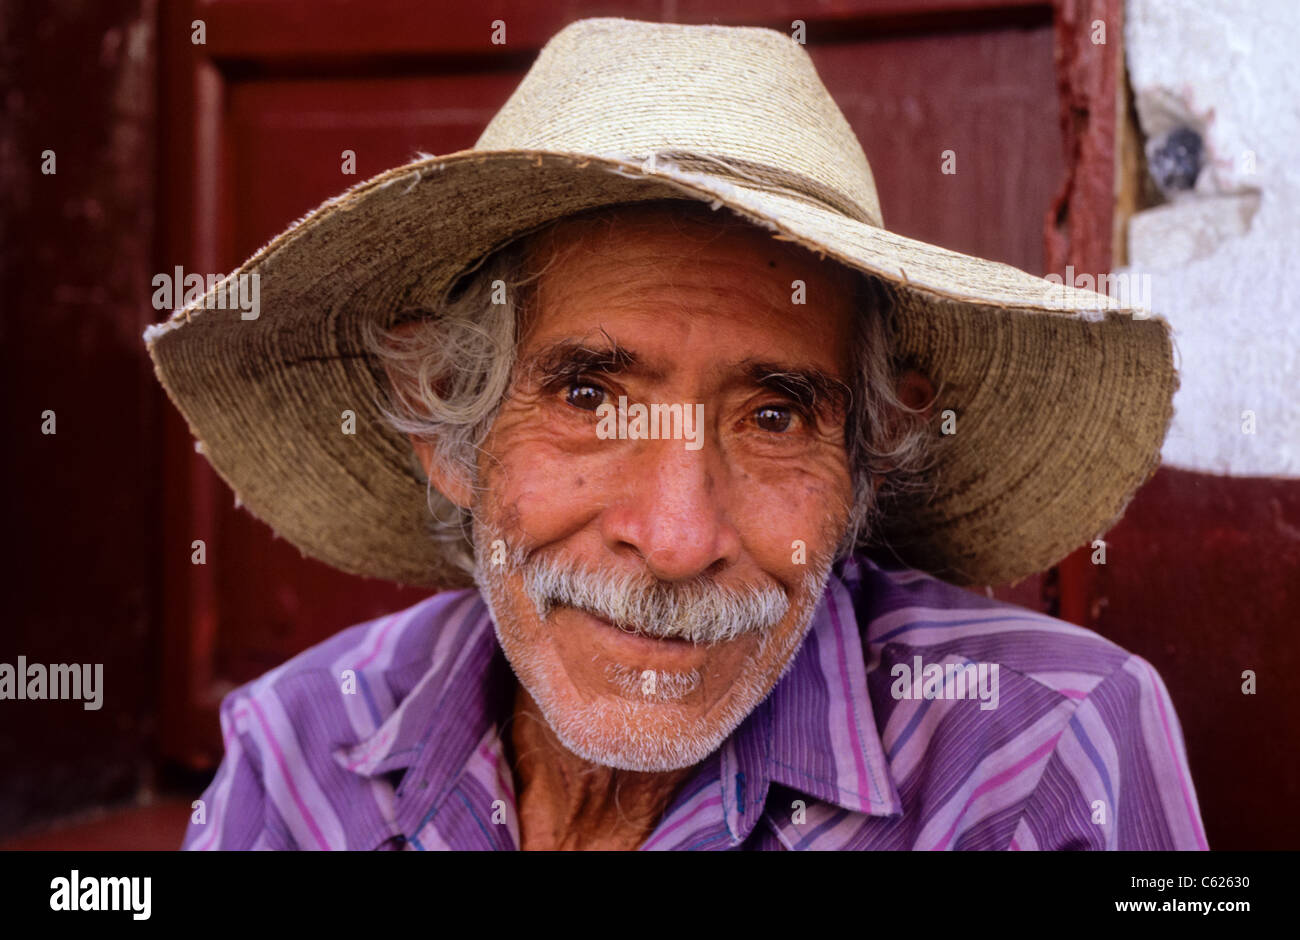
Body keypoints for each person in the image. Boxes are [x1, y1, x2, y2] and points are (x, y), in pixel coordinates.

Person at [146, 18, 1206, 850]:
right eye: (590, 399)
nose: (674, 535)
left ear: (862, 467)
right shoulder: (298, 752)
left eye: (774, 416)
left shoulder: (1038, 754)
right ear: (449, 430)